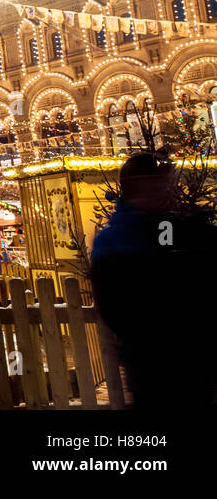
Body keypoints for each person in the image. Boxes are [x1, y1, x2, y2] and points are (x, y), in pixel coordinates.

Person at [91, 151, 217, 409]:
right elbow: (119, 307)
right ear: (138, 186)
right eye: (158, 183)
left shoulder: (165, 227)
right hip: (153, 362)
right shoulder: (118, 239)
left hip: (191, 360)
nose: (166, 190)